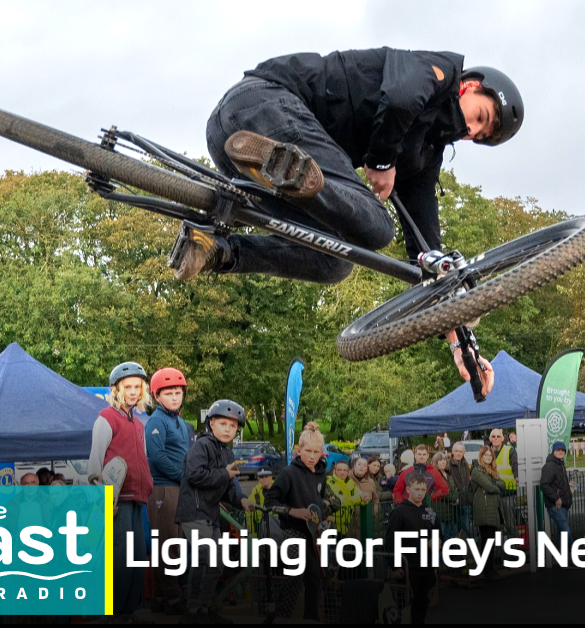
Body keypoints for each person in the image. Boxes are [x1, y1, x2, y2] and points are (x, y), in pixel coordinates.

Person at [172, 51, 524, 395]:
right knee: (377, 227)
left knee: (335, 259)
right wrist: (382, 161)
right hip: (266, 103)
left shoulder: (422, 156)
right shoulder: (438, 72)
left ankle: (215, 248)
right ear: (470, 85)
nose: (470, 130)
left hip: (235, 148)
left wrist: (460, 341)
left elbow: (429, 257)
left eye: (479, 134)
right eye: (480, 116)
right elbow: (401, 98)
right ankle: (294, 170)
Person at [174, 399, 254, 623]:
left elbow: (228, 487)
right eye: (223, 424)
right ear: (211, 424)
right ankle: (192, 611)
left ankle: (204, 609)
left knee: (216, 563)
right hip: (194, 511)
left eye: (233, 426)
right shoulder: (202, 446)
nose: (228, 429)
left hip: (210, 514)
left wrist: (241, 500)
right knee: (204, 559)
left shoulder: (227, 453)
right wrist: (225, 475)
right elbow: (195, 475)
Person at [87, 361, 154, 622]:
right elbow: (94, 464)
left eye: (138, 386)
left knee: (138, 559)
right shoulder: (106, 419)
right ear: (116, 389)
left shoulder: (139, 424)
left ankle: (128, 612)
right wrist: (102, 500)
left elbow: (143, 460)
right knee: (120, 560)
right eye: (128, 387)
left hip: (138, 499)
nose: (134, 391)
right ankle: (111, 614)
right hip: (117, 503)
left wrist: (146, 489)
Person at [265, 422, 330, 620]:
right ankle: (281, 617)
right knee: (294, 576)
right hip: (291, 531)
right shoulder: (289, 473)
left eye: (316, 451)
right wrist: (292, 511)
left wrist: (323, 516)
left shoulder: (321, 474)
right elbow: (270, 501)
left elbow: (321, 500)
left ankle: (311, 617)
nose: (312, 456)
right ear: (298, 451)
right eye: (307, 451)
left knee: (315, 578)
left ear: (321, 452)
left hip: (313, 534)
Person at [144, 366, 191, 615]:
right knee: (167, 547)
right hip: (163, 489)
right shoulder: (156, 421)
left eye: (178, 392)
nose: (175, 397)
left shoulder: (179, 422)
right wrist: (183, 477)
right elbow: (157, 456)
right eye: (169, 393)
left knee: (173, 545)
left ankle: (160, 599)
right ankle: (174, 600)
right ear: (157, 396)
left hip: (178, 488)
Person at [384, 471, 439, 624]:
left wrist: (437, 543)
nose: (420, 493)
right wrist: (394, 566)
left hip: (428, 569)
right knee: (405, 610)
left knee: (421, 611)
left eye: (423, 490)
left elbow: (439, 536)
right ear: (408, 489)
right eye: (417, 489)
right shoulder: (399, 512)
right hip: (407, 570)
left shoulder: (431, 512)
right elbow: (390, 541)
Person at [472, 446, 506, 579]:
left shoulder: (492, 471)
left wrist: (494, 486)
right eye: (485, 455)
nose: (488, 457)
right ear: (481, 456)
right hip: (484, 509)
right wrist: (495, 487)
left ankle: (490, 569)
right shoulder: (477, 471)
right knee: (486, 541)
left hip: (492, 509)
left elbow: (502, 484)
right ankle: (487, 571)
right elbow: (490, 487)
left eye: (490, 455)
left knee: (491, 541)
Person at [540, 441, 573, 544]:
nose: (560, 452)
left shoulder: (560, 464)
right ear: (553, 451)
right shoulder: (550, 465)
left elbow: (558, 483)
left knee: (562, 534)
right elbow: (544, 484)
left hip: (562, 504)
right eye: (558, 450)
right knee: (566, 534)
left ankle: (565, 558)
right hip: (556, 505)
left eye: (562, 450)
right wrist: (556, 498)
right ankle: (572, 556)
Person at [446, 442, 473, 537]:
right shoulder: (448, 465)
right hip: (454, 502)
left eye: (460, 451)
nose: (458, 453)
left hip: (466, 501)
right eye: (456, 451)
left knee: (465, 528)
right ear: (452, 451)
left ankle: (467, 549)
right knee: (454, 528)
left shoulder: (465, 463)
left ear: (464, 452)